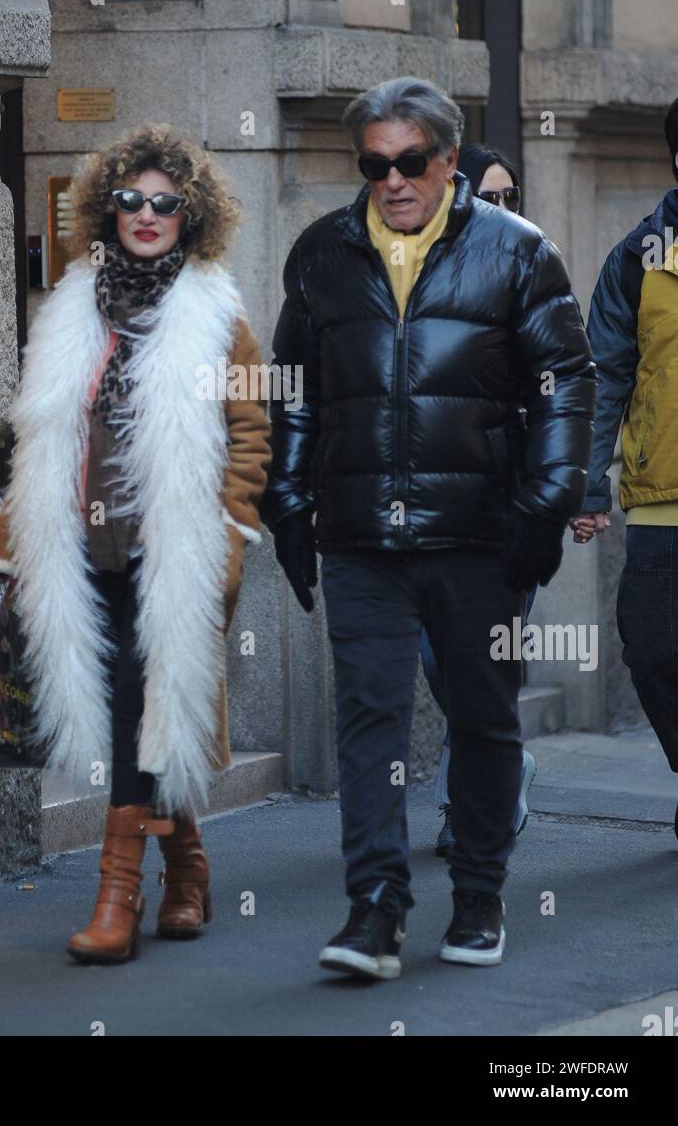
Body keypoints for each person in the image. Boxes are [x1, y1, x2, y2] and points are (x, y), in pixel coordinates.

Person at [261, 76, 596, 978]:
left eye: (411, 161)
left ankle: (480, 896)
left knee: (482, 716)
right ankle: (374, 908)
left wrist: (551, 497)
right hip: (360, 533)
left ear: (449, 161)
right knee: (368, 717)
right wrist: (285, 501)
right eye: (375, 164)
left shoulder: (518, 253)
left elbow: (564, 382)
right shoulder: (322, 255)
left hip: (478, 533)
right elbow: (293, 394)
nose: (394, 180)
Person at [0, 123, 272, 964]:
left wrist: (227, 534)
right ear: (107, 210)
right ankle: (188, 869)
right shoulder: (70, 306)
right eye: (130, 200)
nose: (146, 215)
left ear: (191, 214)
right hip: (81, 555)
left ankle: (117, 899)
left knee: (142, 720)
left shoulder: (218, 316)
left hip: (170, 554)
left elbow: (250, 433)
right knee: (137, 722)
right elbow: (41, 441)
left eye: (164, 203)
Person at [422, 143, 536, 859]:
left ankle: (466, 812)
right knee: (442, 663)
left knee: (482, 663)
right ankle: (500, 766)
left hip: (509, 509)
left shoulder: (531, 275)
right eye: (485, 199)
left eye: (509, 199)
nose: (500, 213)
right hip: (429, 511)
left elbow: (569, 392)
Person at [570, 98, 678, 840]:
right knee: (651, 649)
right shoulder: (637, 258)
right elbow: (601, 377)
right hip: (661, 498)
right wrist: (583, 480)